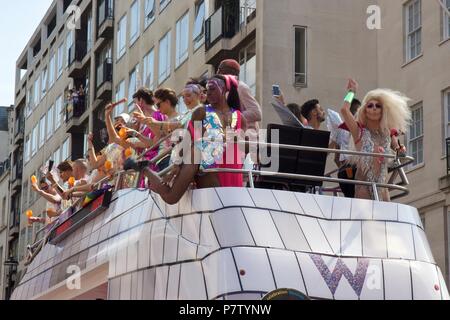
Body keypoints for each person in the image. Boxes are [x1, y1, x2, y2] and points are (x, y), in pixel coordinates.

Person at [340, 79, 410, 201]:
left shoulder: (387, 133)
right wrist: (351, 92)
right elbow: (344, 110)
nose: (374, 108)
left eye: (378, 106)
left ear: (383, 111)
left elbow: (399, 151)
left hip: (383, 188)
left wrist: (401, 150)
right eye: (370, 105)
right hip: (364, 186)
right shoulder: (359, 131)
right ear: (365, 110)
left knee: (386, 219)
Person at [328, 99, 361, 198]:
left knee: (351, 201)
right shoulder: (358, 129)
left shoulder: (341, 128)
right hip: (353, 170)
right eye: (358, 111)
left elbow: (336, 159)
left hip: (344, 171)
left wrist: (343, 168)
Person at [217, 59, 261, 135]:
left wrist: (232, 117)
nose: (217, 73)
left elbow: (256, 113)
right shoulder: (225, 91)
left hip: (248, 138)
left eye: (219, 70)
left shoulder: (241, 88)